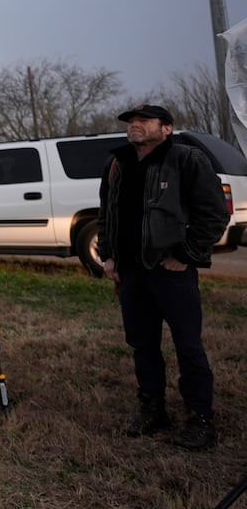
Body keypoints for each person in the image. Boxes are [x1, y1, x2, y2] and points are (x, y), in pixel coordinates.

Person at [97, 103, 229, 450]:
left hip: (170, 273)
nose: (135, 126)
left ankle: (200, 419)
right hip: (131, 274)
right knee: (142, 345)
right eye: (131, 122)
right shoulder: (116, 163)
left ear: (166, 128)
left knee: (188, 346)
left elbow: (214, 214)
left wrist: (186, 255)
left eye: (143, 121)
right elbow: (106, 214)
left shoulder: (186, 160)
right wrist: (109, 256)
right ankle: (152, 410)